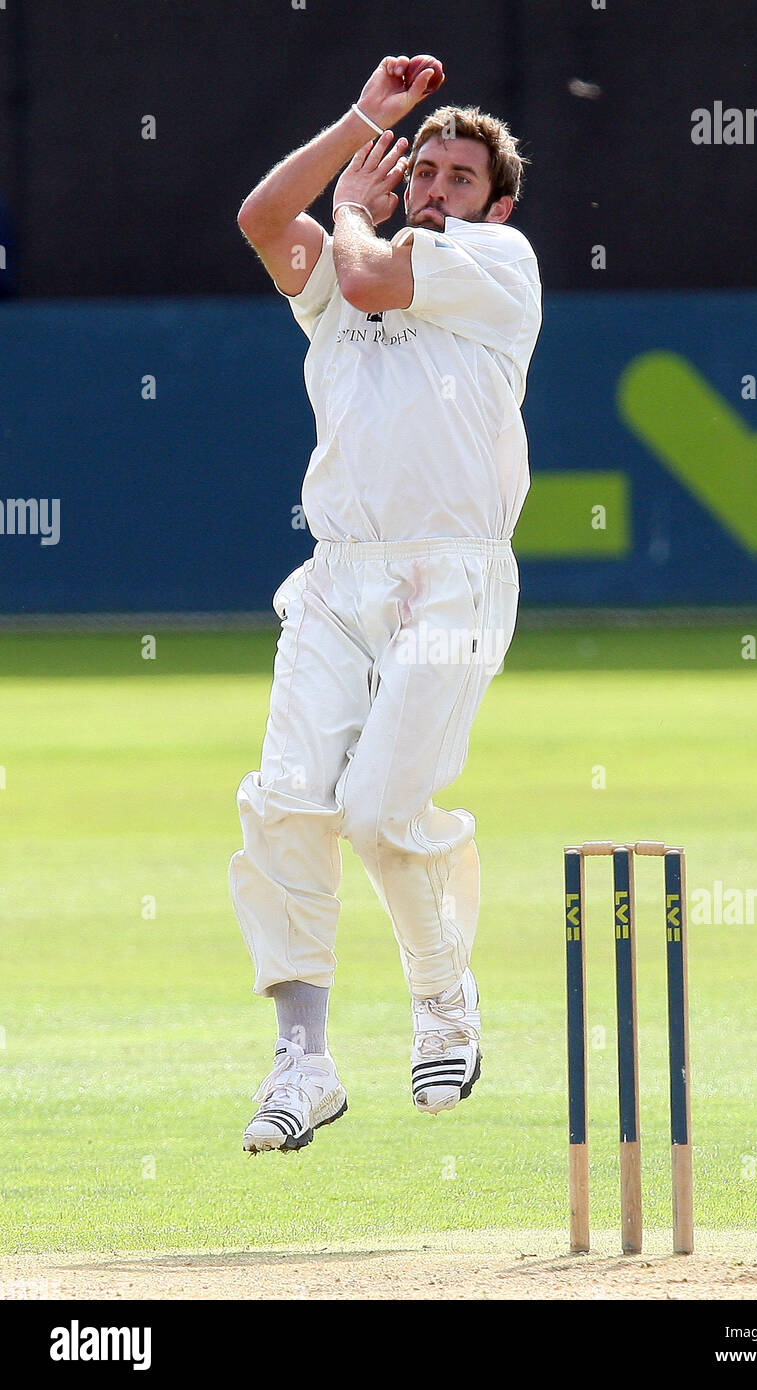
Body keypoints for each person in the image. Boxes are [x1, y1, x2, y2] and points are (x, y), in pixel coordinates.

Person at [230, 53, 542, 1153]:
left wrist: (358, 217)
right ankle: (303, 1061)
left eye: (462, 177)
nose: (440, 189)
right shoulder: (363, 244)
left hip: (454, 575)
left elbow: (363, 277)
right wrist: (360, 118)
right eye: (429, 173)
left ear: (495, 203)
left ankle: (444, 1000)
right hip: (337, 574)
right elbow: (265, 217)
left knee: (374, 808)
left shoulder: (495, 261)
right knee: (285, 800)